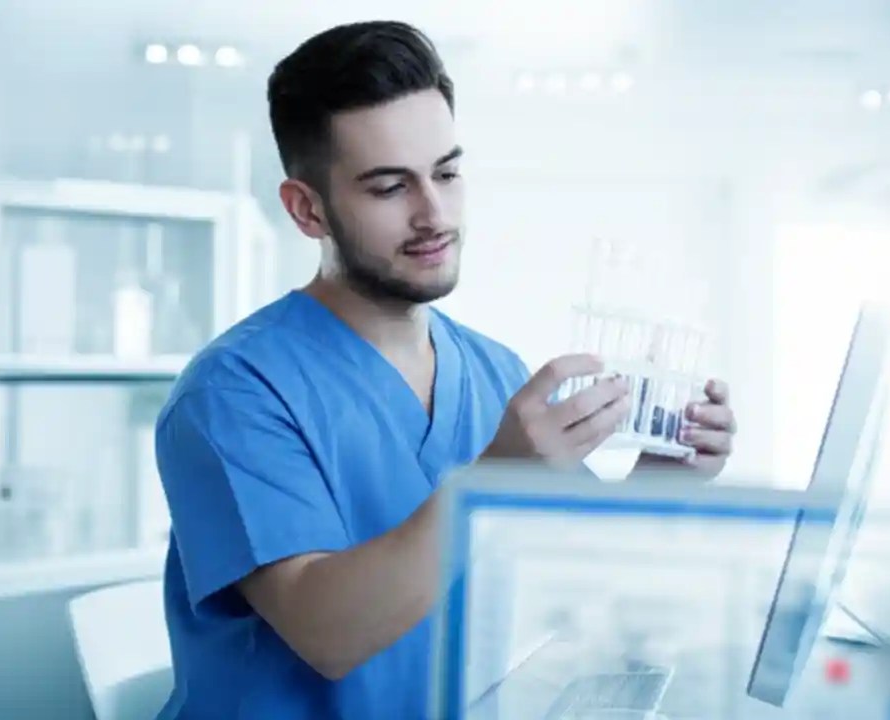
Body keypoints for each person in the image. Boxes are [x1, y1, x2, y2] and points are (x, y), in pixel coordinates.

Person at [153, 20, 737, 720]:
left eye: (448, 173)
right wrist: (491, 479)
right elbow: (328, 633)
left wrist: (662, 477)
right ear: (308, 209)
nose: (435, 214)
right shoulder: (233, 394)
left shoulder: (494, 373)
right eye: (389, 187)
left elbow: (574, 567)